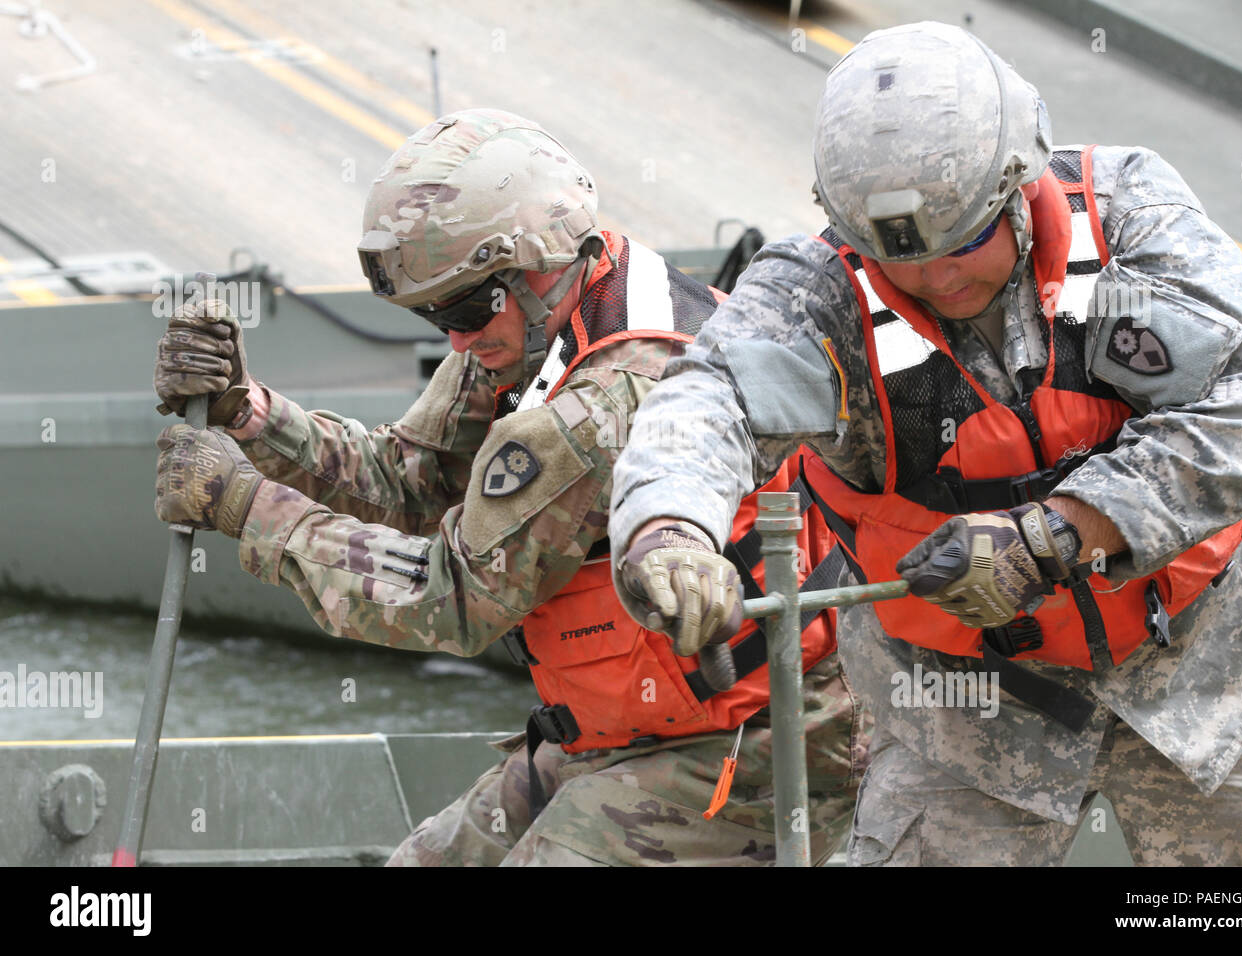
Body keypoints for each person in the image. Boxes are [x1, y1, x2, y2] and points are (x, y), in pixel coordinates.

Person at [609, 21, 1242, 865]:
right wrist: (667, 528)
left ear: (1019, 186)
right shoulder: (817, 294)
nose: (939, 279)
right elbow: (706, 403)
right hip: (966, 704)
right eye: (905, 259)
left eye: (965, 242)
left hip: (1220, 663)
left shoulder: (1128, 216)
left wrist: (1061, 532)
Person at [152, 108, 863, 866]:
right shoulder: (527, 329)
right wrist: (251, 416)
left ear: (540, 265)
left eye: (463, 309)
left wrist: (248, 506)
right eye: (435, 313)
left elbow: (452, 600)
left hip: (754, 752)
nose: (454, 338)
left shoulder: (604, 404)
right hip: (622, 734)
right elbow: (411, 481)